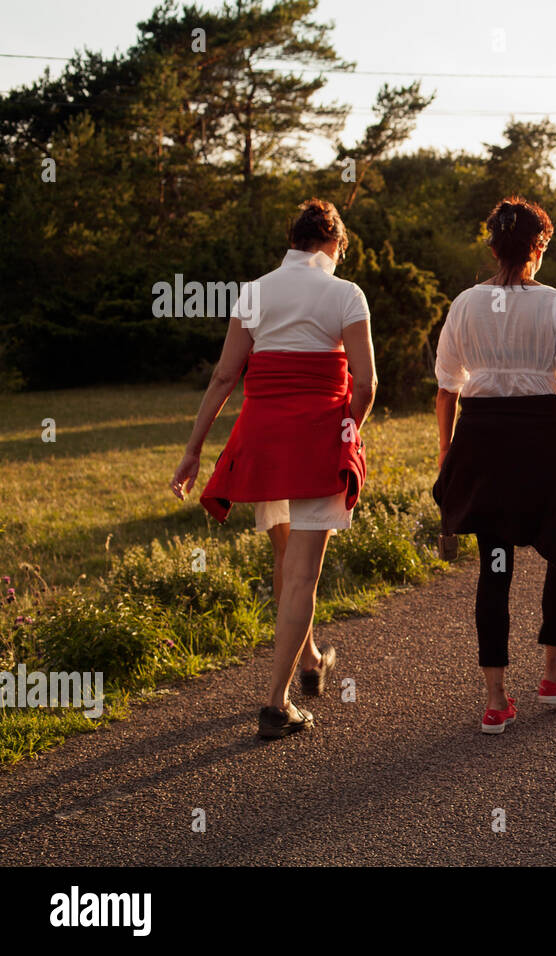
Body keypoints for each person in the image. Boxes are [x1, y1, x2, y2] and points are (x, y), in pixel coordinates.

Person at [169, 198, 377, 739]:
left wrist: (193, 450)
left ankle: (308, 659)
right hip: (315, 444)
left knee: (285, 557)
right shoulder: (345, 293)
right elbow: (367, 382)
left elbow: (223, 377)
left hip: (263, 441)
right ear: (332, 242)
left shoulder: (254, 292)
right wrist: (350, 432)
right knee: (304, 572)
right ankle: (276, 704)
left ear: (294, 240)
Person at [433, 195, 556, 735]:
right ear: (538, 247)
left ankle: (495, 699)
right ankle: (554, 673)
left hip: (481, 444)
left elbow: (446, 393)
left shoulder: (463, 304)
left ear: (492, 246)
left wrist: (448, 457)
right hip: (540, 442)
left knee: (497, 563)